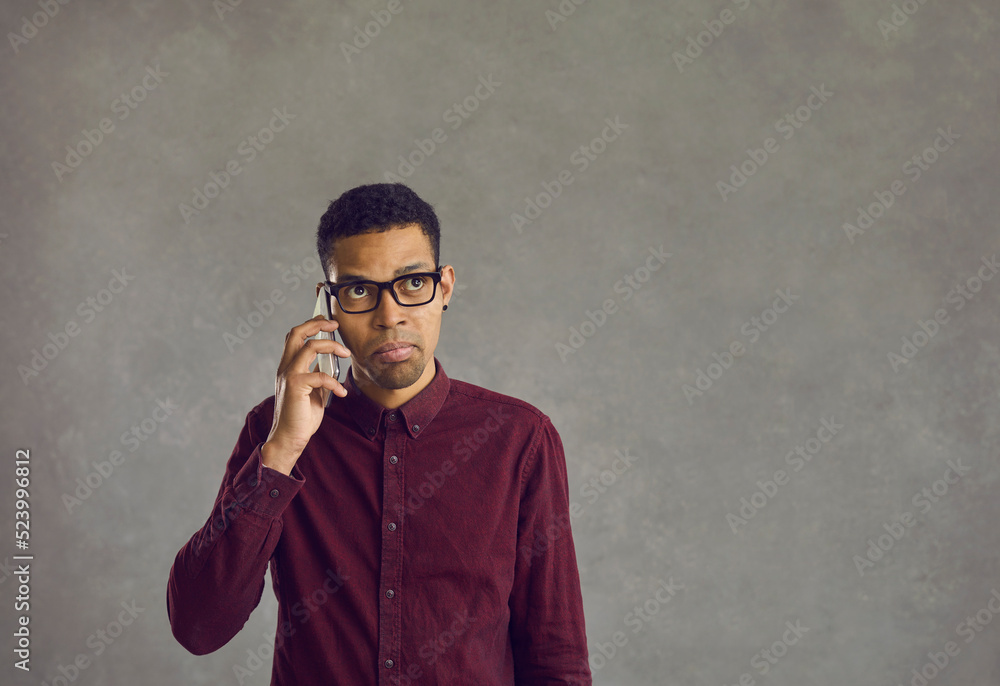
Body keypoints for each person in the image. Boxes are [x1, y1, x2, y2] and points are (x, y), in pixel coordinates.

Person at [166, 182, 592, 685]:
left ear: (446, 287)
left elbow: (555, 656)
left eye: (413, 283)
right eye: (360, 290)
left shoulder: (519, 439)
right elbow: (199, 626)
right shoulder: (275, 430)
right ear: (328, 305)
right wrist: (282, 451)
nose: (390, 316)